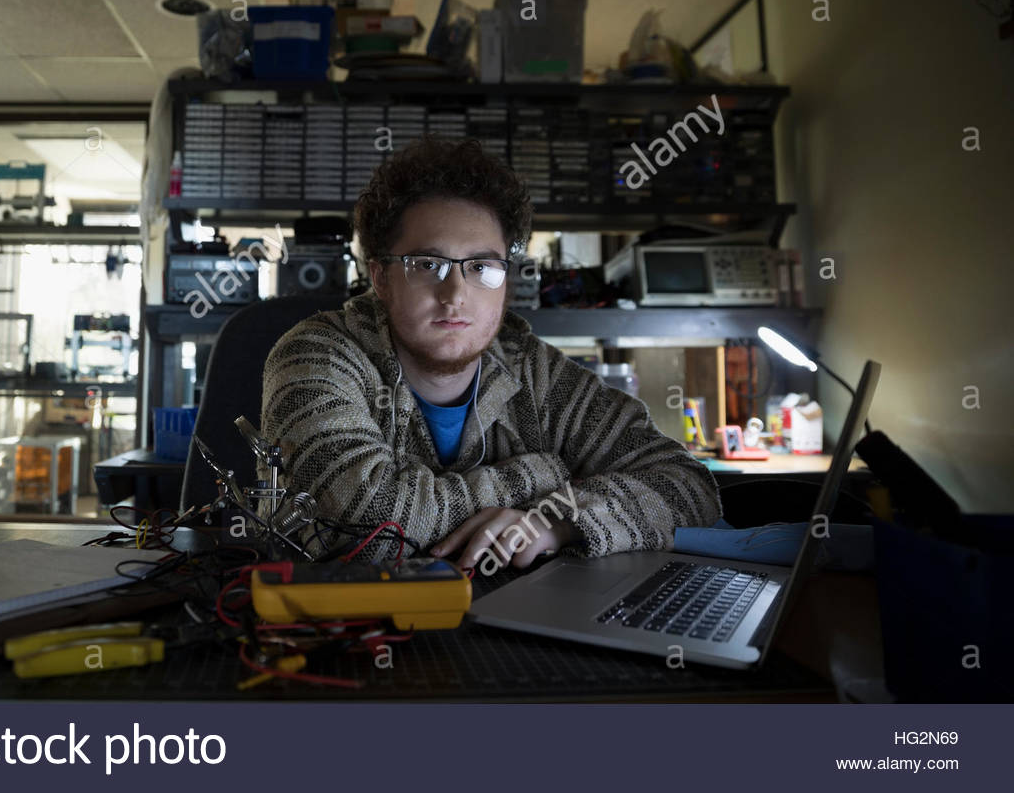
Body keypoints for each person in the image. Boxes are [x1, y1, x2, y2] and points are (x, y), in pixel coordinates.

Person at [259, 136, 721, 570]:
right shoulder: (315, 354)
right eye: (427, 264)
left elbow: (689, 485)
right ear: (380, 277)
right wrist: (544, 474)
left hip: (515, 633)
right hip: (339, 633)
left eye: (481, 266)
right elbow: (367, 524)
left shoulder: (535, 371)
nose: (455, 293)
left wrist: (557, 521)